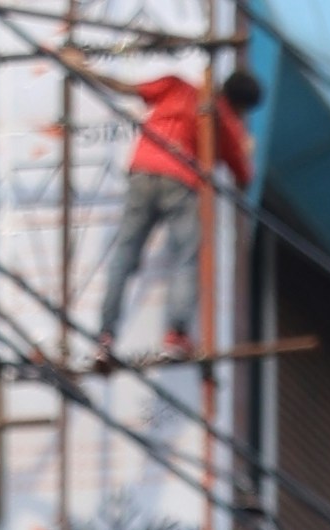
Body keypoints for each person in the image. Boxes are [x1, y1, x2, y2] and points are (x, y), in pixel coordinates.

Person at [93, 53, 257, 366]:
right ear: (243, 107)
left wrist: (82, 68)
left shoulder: (179, 88)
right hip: (181, 182)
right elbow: (244, 178)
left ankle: (105, 336)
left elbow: (125, 87)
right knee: (186, 257)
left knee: (125, 254)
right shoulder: (226, 122)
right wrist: (248, 149)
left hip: (142, 169)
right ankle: (175, 335)